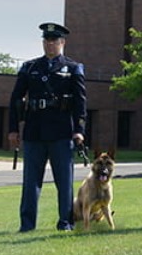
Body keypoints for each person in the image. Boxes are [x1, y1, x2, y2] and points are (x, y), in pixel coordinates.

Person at [8, 22, 87, 232]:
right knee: (31, 182)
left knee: (64, 181)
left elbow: (80, 103)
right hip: (34, 131)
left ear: (62, 42)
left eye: (54, 40)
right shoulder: (30, 68)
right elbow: (15, 99)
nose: (50, 44)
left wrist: (80, 130)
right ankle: (27, 224)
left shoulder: (72, 68)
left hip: (62, 132)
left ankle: (66, 222)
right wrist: (13, 129)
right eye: (47, 40)